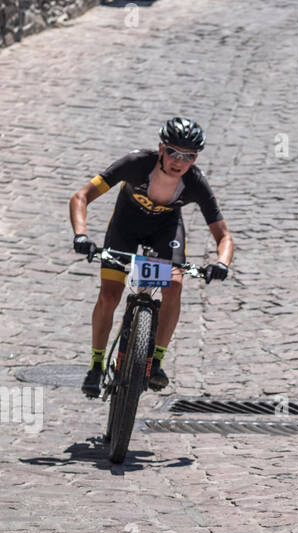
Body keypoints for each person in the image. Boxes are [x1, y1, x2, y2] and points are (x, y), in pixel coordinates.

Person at [69, 117, 233, 396]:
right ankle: (96, 365)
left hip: (165, 233)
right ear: (160, 148)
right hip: (125, 228)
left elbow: (224, 236)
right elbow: (81, 197)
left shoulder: (194, 182)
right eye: (173, 152)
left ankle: (155, 361)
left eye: (188, 156)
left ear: (195, 158)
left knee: (175, 286)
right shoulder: (135, 163)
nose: (178, 161)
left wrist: (221, 263)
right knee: (110, 296)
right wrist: (81, 234)